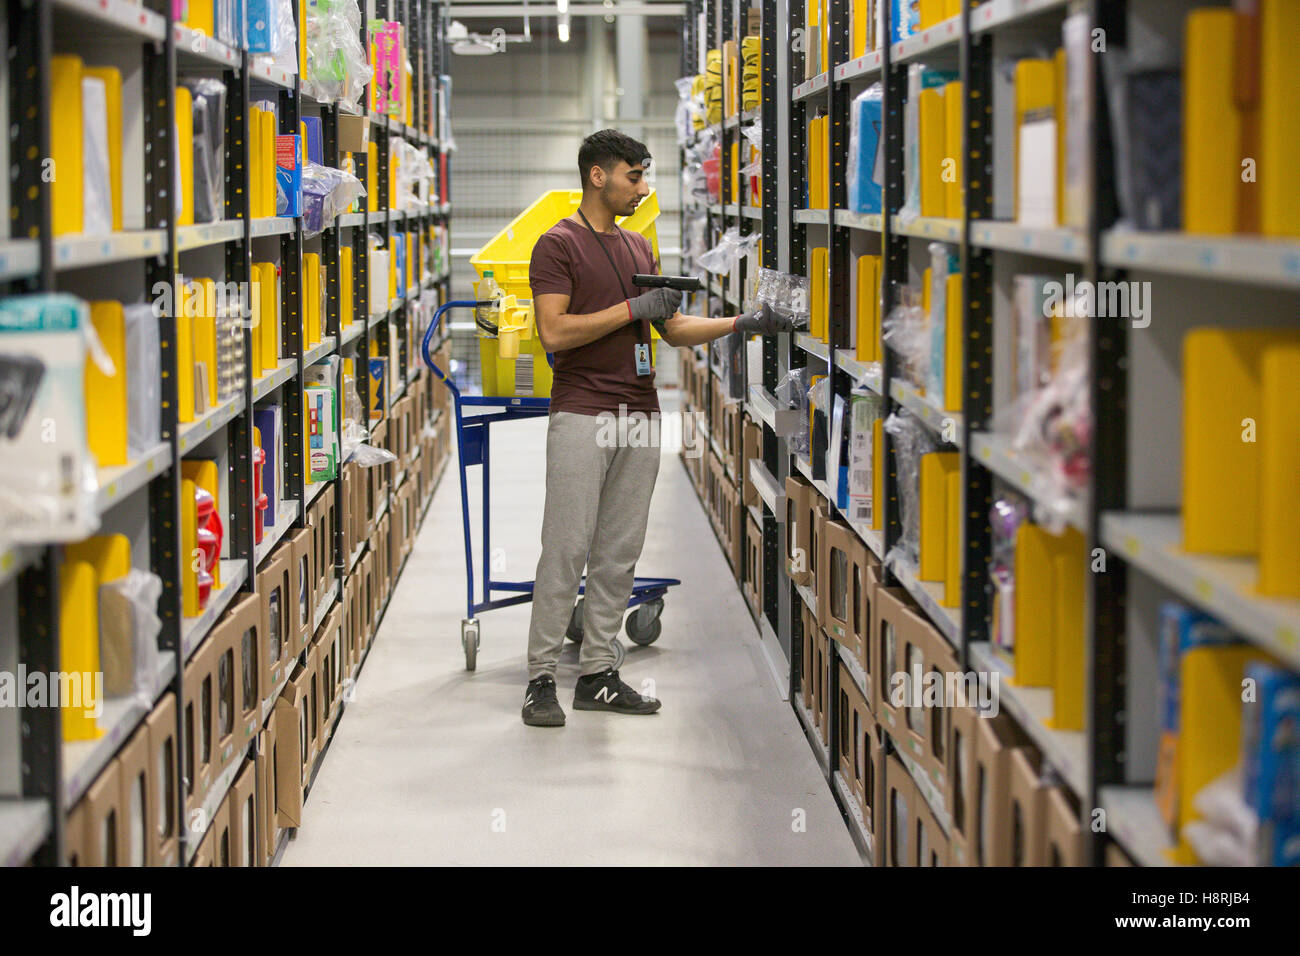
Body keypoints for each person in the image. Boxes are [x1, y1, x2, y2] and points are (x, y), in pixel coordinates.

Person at [521, 128, 794, 727]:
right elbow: (554, 333)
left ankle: (597, 673)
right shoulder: (557, 245)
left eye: (645, 176)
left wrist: (742, 323)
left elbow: (669, 331)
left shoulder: (640, 249)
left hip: (640, 412)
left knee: (619, 551)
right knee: (566, 548)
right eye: (634, 176)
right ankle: (541, 679)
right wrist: (630, 311)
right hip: (582, 410)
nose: (643, 188)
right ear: (598, 175)